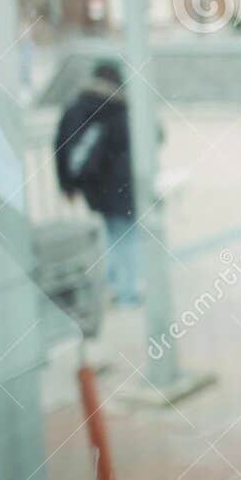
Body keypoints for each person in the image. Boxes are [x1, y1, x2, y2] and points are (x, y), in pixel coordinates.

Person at [54, 60, 140, 307]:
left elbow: (60, 146)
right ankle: (127, 293)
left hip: (92, 187)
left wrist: (66, 185)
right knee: (126, 237)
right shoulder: (121, 110)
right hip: (122, 187)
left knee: (107, 235)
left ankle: (111, 286)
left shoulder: (76, 107)